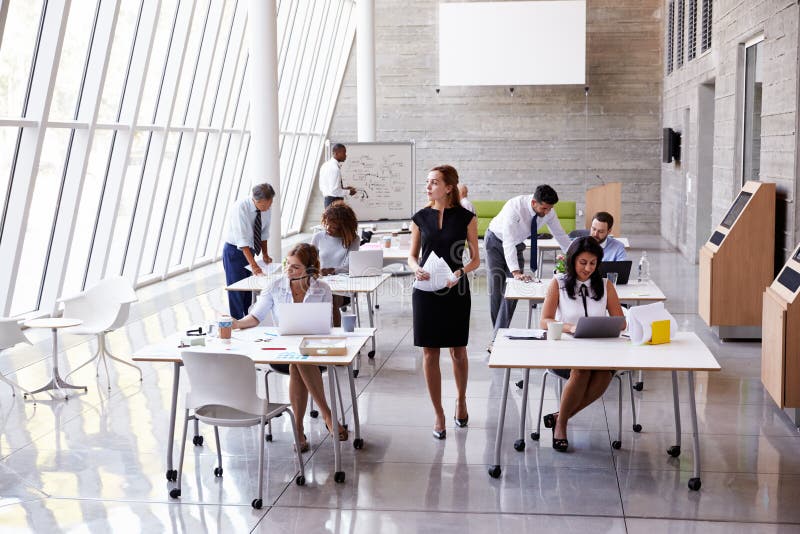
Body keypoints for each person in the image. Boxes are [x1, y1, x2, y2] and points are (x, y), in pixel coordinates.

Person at [231, 243, 347, 452]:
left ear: (310, 269)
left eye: (295, 267)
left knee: (299, 360)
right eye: (287, 265)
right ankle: (327, 415)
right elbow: (255, 317)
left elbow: (327, 325)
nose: (289, 271)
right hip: (282, 353)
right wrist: (237, 324)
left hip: (315, 351)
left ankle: (299, 430)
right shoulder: (275, 286)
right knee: (297, 361)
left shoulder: (322, 289)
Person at [408, 165, 480, 440]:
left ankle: (461, 400)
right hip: (425, 290)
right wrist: (415, 268)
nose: (428, 187)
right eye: (427, 182)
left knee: (458, 351)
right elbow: (412, 256)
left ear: (449, 187)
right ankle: (438, 413)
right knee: (430, 353)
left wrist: (460, 272)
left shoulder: (466, 218)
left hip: (455, 288)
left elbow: (475, 259)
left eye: (434, 182)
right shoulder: (420, 217)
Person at [539, 236, 625, 452]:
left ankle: (559, 416)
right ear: (572, 261)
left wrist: (606, 325)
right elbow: (545, 320)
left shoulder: (605, 285)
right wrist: (569, 327)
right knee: (581, 371)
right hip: (566, 349)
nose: (588, 268)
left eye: (593, 263)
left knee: (604, 375)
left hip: (599, 349)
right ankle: (561, 425)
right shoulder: (558, 283)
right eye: (583, 262)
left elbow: (621, 321)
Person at [485, 185, 571, 334]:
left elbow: (560, 234)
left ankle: (497, 335)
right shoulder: (514, 207)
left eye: (550, 208)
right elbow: (508, 241)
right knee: (496, 289)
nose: (547, 212)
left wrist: (573, 255)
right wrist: (515, 272)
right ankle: (497, 334)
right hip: (495, 241)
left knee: (515, 288)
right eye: (544, 208)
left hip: (517, 244)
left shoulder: (548, 211)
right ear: (533, 203)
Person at [222, 183, 275, 319]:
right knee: (237, 290)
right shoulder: (240, 208)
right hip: (234, 251)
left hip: (249, 251)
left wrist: (265, 254)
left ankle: (247, 321)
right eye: (267, 204)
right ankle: (237, 322)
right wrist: (254, 266)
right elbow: (242, 240)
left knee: (248, 290)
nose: (269, 207)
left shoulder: (266, 208)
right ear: (257, 201)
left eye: (271, 203)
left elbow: (264, 233)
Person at [311, 201, 360, 326]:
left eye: (333, 227)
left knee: (331, 299)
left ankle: (336, 334)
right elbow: (309, 261)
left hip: (343, 287)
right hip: (319, 282)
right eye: (326, 224)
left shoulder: (353, 239)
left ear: (344, 227)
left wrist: (332, 270)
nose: (328, 228)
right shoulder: (318, 237)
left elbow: (349, 266)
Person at [319, 143, 356, 208]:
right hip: (335, 203)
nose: (345, 155)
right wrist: (349, 192)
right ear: (336, 153)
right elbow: (334, 191)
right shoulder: (335, 168)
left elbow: (327, 188)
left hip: (328, 201)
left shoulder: (325, 165)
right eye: (344, 153)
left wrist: (343, 189)